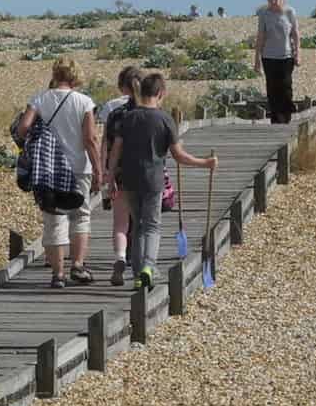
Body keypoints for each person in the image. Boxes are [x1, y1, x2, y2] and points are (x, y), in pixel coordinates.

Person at [104, 70, 218, 293]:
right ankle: (149, 266)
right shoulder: (164, 119)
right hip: (153, 181)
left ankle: (138, 274)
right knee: (153, 226)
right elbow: (179, 156)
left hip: (128, 179)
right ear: (161, 93)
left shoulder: (128, 118)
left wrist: (110, 177)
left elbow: (115, 150)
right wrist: (205, 163)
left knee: (137, 226)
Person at [11, 56, 99, 289]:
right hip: (79, 167)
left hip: (47, 169)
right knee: (80, 216)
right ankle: (78, 265)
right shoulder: (84, 102)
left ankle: (58, 274)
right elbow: (90, 139)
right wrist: (99, 170)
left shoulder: (40, 98)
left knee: (53, 220)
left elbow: (23, 128)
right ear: (74, 76)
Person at [96, 65, 142, 286]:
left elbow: (107, 143)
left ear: (121, 86)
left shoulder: (114, 111)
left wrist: (105, 172)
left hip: (120, 172)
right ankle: (141, 263)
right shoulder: (150, 110)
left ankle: (120, 258)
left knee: (120, 223)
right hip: (144, 174)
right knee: (143, 222)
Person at [252, 0, 300, 125]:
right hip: (269, 56)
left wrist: (298, 54)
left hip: (286, 56)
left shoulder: (289, 12)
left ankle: (286, 115)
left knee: (285, 86)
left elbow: (296, 34)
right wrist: (257, 60)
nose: (272, 1)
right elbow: (260, 36)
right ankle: (276, 120)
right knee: (272, 88)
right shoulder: (264, 14)